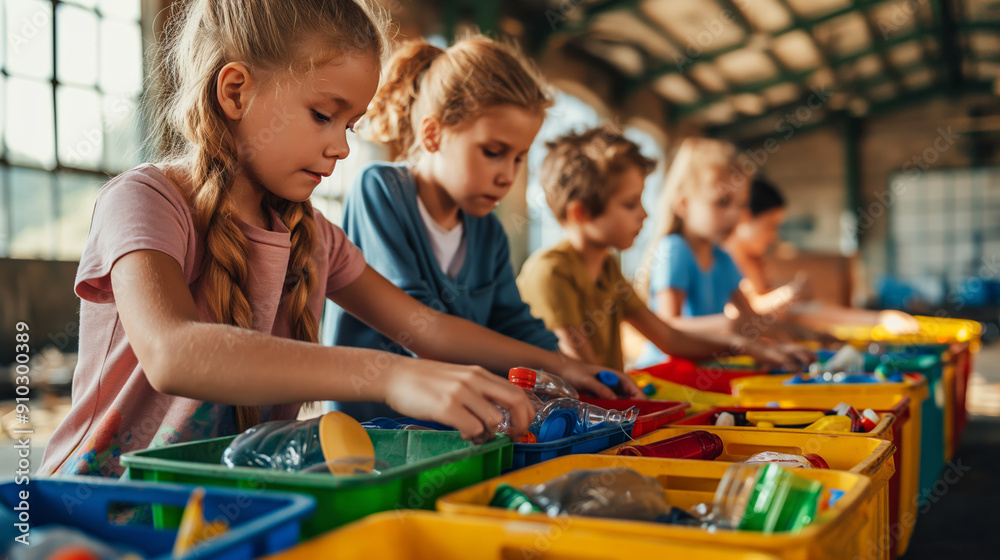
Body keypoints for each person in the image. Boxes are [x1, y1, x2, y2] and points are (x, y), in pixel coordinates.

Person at [39, 0, 548, 478]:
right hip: (95, 508)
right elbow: (172, 352)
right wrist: (390, 375)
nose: (342, 148)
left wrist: (561, 365)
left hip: (223, 511)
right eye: (324, 115)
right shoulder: (146, 201)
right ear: (236, 91)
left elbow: (426, 329)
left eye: (350, 124)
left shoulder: (315, 236)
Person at [324, 37, 640, 420]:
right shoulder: (380, 191)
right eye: (493, 152)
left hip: (454, 429)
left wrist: (570, 370)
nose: (508, 175)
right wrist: (556, 363)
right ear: (433, 134)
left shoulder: (487, 231)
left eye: (520, 157)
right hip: (373, 433)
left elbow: (513, 322)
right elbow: (421, 330)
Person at [516, 127, 810, 372]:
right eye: (630, 204)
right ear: (580, 212)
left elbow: (668, 338)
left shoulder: (608, 269)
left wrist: (745, 346)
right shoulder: (551, 272)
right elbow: (587, 374)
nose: (643, 214)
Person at [634, 137, 812, 368]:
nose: (734, 215)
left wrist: (799, 333)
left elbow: (750, 320)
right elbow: (669, 327)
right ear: (684, 204)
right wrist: (728, 326)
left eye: (740, 204)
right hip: (665, 374)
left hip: (704, 368)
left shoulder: (723, 257)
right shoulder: (675, 250)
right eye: (722, 202)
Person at [725, 176, 919, 336]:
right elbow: (742, 317)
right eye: (770, 226)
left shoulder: (755, 262)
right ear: (746, 217)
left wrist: (877, 319)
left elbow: (796, 314)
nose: (774, 236)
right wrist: (788, 296)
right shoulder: (725, 262)